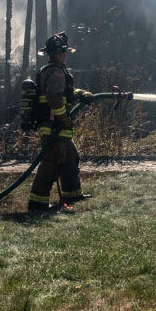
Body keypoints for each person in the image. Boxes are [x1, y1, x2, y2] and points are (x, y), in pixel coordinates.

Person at [27, 31, 93, 212]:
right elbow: (55, 98)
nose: (64, 55)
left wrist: (82, 94)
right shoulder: (56, 72)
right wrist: (64, 119)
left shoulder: (55, 71)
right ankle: (37, 203)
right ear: (57, 54)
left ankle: (73, 193)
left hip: (58, 127)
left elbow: (66, 92)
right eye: (62, 52)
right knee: (50, 164)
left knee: (71, 158)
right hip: (54, 126)